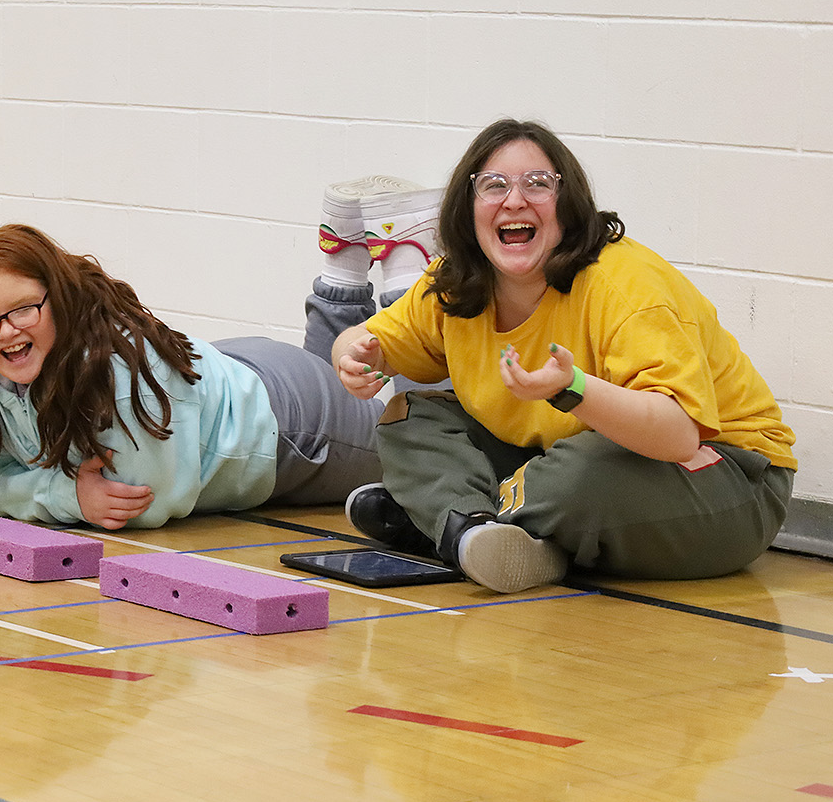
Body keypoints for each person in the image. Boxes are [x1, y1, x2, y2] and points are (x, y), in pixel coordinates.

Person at [332, 118, 796, 593]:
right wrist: (355, 357)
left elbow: (678, 436)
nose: (515, 200)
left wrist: (572, 388)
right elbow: (359, 341)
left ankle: (444, 523)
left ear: (568, 206)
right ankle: (479, 535)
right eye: (494, 185)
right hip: (553, 462)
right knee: (410, 418)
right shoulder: (457, 280)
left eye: (538, 184)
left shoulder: (626, 286)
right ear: (468, 208)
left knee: (584, 470)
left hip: (729, 479)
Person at [0, 217, 435, 530]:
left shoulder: (120, 373)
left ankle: (409, 270)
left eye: (23, 309)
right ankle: (344, 263)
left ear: (58, 299)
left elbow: (142, 502)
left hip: (288, 425)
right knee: (347, 377)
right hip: (225, 376)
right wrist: (65, 492)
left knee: (426, 449)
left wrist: (50, 492)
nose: (6, 332)